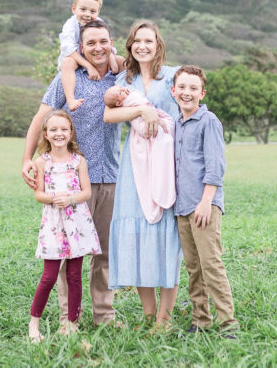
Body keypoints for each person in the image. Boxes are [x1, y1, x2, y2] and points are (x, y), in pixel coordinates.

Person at [22, 19, 121, 326]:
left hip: (111, 175)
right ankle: (69, 318)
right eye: (90, 43)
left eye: (103, 41)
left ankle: (104, 315)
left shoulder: (120, 77)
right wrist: (26, 159)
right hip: (74, 181)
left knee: (104, 252)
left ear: (111, 43)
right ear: (80, 47)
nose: (98, 48)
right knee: (70, 252)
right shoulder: (68, 78)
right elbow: (41, 117)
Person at [103, 20, 183, 328]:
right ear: (130, 46)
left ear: (158, 44)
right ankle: (149, 315)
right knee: (136, 236)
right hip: (134, 166)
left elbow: (187, 109)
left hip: (166, 162)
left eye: (148, 41)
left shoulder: (173, 76)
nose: (142, 46)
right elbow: (109, 114)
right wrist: (140, 110)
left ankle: (165, 317)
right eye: (137, 41)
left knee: (166, 238)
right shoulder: (124, 79)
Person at [171, 65, 239, 336]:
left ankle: (228, 322)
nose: (187, 93)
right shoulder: (176, 123)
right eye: (182, 87)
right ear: (173, 91)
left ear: (202, 93)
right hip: (182, 206)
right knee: (193, 267)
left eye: (193, 88)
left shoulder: (208, 121)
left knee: (210, 263)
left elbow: (215, 165)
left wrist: (205, 202)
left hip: (203, 205)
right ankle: (200, 320)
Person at [28, 110, 101, 341]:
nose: (59, 133)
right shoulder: (42, 162)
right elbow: (39, 194)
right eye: (53, 130)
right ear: (46, 134)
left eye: (64, 129)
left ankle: (72, 323)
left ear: (70, 133)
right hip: (54, 224)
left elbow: (86, 192)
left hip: (76, 222)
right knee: (49, 277)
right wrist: (54, 198)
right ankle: (33, 323)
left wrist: (70, 199)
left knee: (74, 276)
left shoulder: (78, 161)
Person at [103, 86, 176, 224]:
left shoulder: (170, 78)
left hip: (165, 137)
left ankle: (165, 192)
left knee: (162, 165)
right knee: (144, 184)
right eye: (120, 92)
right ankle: (156, 200)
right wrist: (142, 110)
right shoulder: (122, 81)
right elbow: (108, 116)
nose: (124, 90)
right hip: (139, 144)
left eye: (122, 90)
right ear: (118, 102)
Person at [57, 0, 125, 111]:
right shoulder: (70, 25)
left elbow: (105, 42)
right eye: (83, 9)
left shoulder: (98, 22)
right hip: (75, 56)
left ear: (98, 12)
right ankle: (70, 99)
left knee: (119, 61)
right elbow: (68, 49)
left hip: (94, 55)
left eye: (92, 11)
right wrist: (88, 66)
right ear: (74, 9)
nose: (87, 14)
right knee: (67, 63)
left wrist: (111, 57)